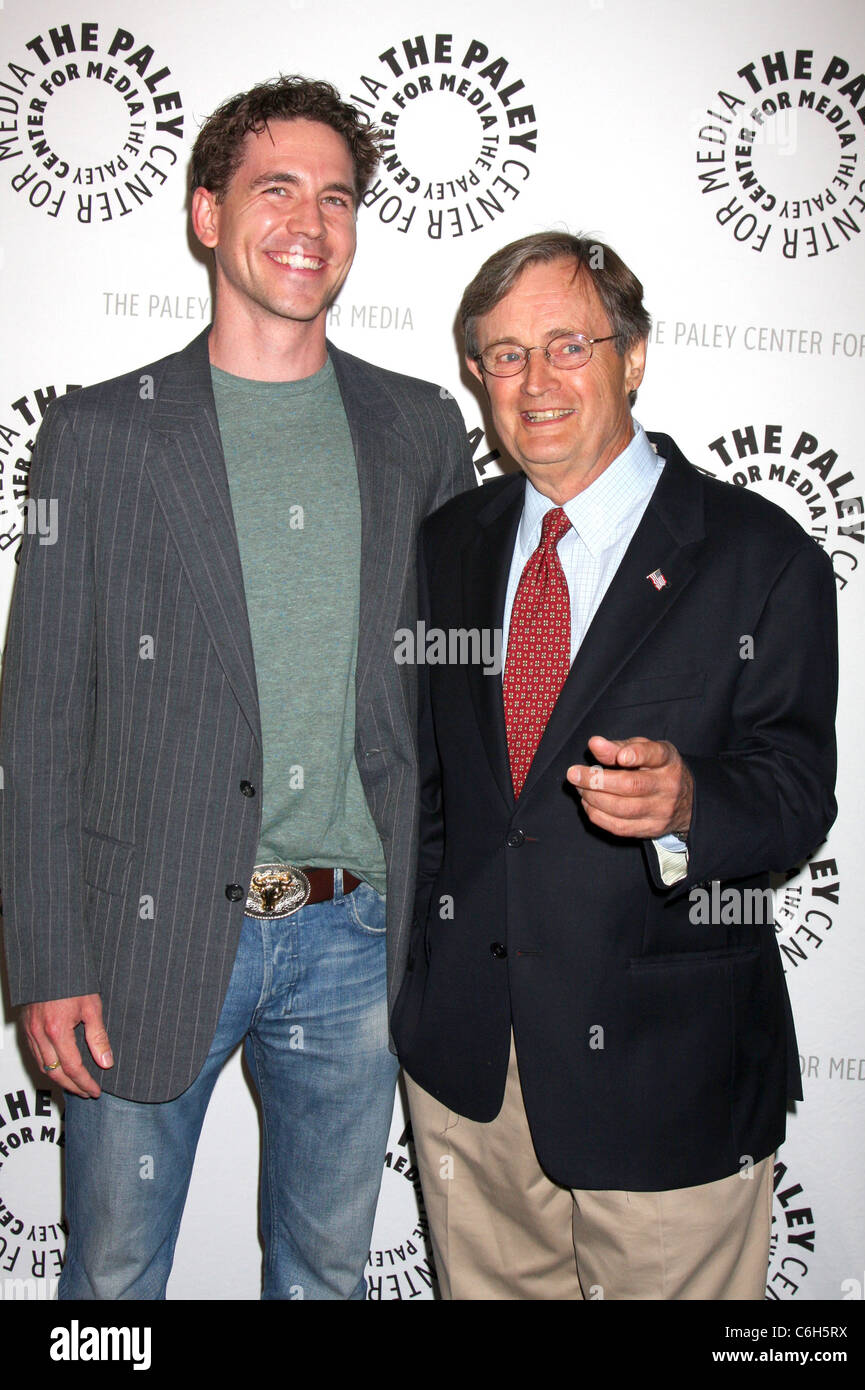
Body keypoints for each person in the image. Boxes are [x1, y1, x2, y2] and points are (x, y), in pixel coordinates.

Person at [0, 75, 472, 1300]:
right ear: (208, 214)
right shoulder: (99, 434)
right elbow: (40, 716)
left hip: (357, 937)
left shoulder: (422, 428)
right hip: (143, 933)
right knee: (108, 1277)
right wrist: (46, 950)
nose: (310, 220)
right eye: (276, 188)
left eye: (337, 195)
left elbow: (450, 704)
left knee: (324, 1273)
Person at [392, 230, 838, 1300]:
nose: (535, 381)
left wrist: (689, 798)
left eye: (566, 345)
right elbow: (437, 792)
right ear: (476, 375)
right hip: (472, 1079)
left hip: (669, 1074)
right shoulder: (447, 545)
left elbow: (793, 797)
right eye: (504, 355)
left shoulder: (760, 554)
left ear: (632, 356)